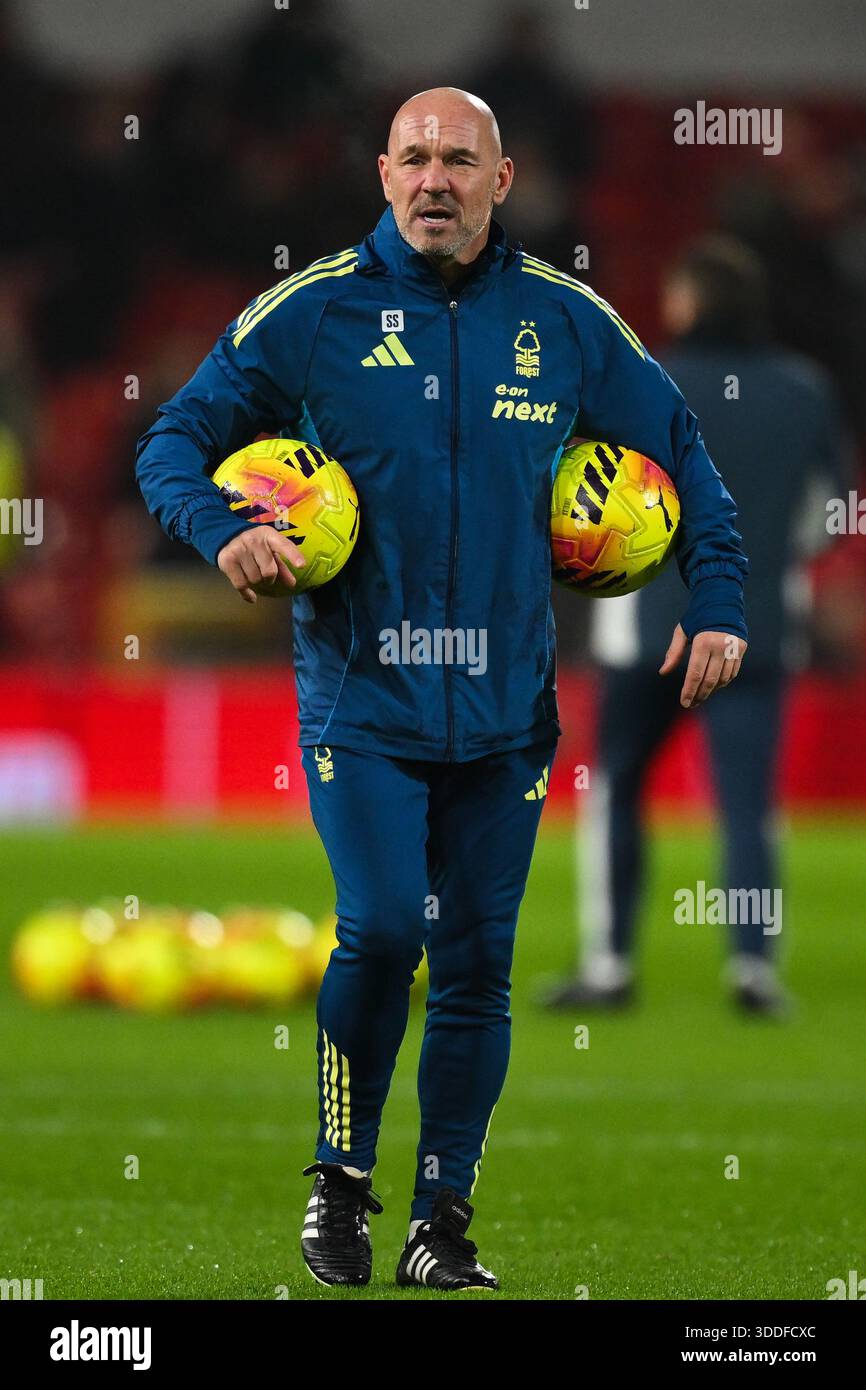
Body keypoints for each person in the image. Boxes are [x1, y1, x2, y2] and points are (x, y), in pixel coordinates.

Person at [135, 90, 748, 1292]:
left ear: (502, 180)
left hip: (508, 713)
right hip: (362, 704)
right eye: (412, 157)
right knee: (380, 928)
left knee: (475, 965)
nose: (433, 179)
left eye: (457, 160)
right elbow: (170, 439)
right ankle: (338, 1180)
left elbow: (688, 463)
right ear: (381, 170)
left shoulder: (564, 323)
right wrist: (220, 531)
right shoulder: (309, 314)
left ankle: (441, 1222)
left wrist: (717, 605)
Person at [545, 236, 848, 1018]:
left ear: (687, 302)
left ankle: (609, 966)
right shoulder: (805, 390)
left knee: (616, 790)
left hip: (642, 631)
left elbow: (590, 505)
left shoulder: (641, 383)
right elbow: (825, 517)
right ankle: (753, 970)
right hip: (757, 629)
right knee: (750, 806)